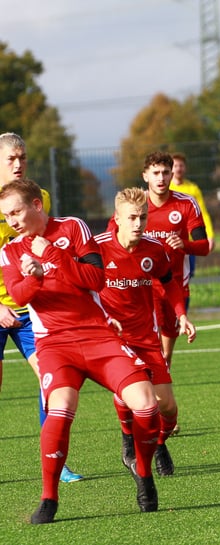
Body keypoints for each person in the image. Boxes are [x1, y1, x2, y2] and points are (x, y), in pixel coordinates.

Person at [0, 179, 162, 524]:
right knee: (61, 407)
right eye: (6, 216)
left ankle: (143, 471)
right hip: (55, 344)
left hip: (98, 337)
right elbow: (21, 295)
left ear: (36, 205)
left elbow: (95, 279)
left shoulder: (73, 228)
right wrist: (37, 276)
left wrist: (53, 254)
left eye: (16, 212)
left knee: (148, 405)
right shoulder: (10, 251)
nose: (11, 221)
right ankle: (48, 498)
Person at [96, 187, 197, 477]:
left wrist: (181, 315)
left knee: (167, 406)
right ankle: (128, 439)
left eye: (142, 217)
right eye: (132, 218)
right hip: (113, 340)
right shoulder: (98, 249)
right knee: (135, 396)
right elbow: (80, 286)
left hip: (147, 338)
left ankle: (161, 442)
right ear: (116, 218)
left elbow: (171, 283)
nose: (138, 223)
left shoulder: (154, 249)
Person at [0, 132, 83, 483]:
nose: (18, 164)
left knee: (50, 381)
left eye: (23, 158)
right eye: (10, 159)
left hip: (29, 307)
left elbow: (42, 245)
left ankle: (56, 460)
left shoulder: (39, 197)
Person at [129, 151, 210, 365]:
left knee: (165, 358)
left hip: (174, 284)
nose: (161, 178)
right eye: (155, 173)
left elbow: (203, 247)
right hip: (143, 284)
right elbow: (114, 237)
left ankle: (157, 392)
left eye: (166, 172)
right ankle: (141, 395)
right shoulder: (134, 205)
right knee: (150, 352)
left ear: (172, 174)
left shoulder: (186, 204)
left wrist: (185, 245)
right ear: (145, 176)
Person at [170, 153, 216, 307]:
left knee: (185, 280)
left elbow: (202, 213)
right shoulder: (165, 188)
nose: (178, 168)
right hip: (169, 242)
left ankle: (183, 315)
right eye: (175, 165)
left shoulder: (192, 189)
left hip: (188, 244)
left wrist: (209, 235)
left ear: (185, 168)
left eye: (181, 165)